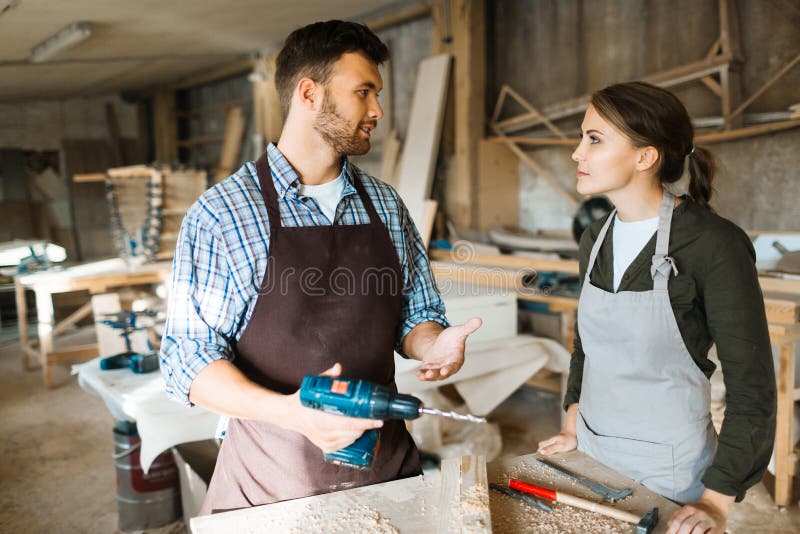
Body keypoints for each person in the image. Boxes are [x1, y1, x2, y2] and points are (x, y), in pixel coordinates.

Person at [159, 20, 481, 514]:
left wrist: (432, 343)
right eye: (363, 92)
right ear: (309, 94)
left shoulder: (385, 205)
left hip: (386, 472)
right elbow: (187, 361)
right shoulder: (224, 214)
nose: (377, 110)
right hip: (271, 486)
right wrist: (291, 412)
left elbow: (414, 314)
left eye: (377, 94)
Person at [537, 81, 776, 534]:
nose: (576, 153)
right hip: (592, 458)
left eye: (594, 139)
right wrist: (571, 427)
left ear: (645, 157)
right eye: (582, 137)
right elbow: (586, 347)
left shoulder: (713, 244)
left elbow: (752, 388)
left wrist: (716, 501)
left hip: (671, 477)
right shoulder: (595, 238)